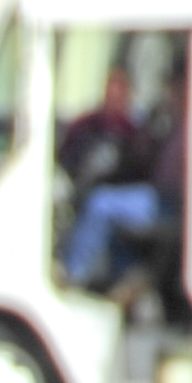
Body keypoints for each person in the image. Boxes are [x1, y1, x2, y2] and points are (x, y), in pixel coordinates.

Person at [57, 67, 166, 294]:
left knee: (101, 204)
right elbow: (66, 155)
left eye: (120, 92)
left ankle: (73, 275)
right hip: (93, 191)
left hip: (154, 199)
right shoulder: (88, 125)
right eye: (110, 91)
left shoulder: (137, 128)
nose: (114, 97)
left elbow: (145, 165)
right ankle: (122, 283)